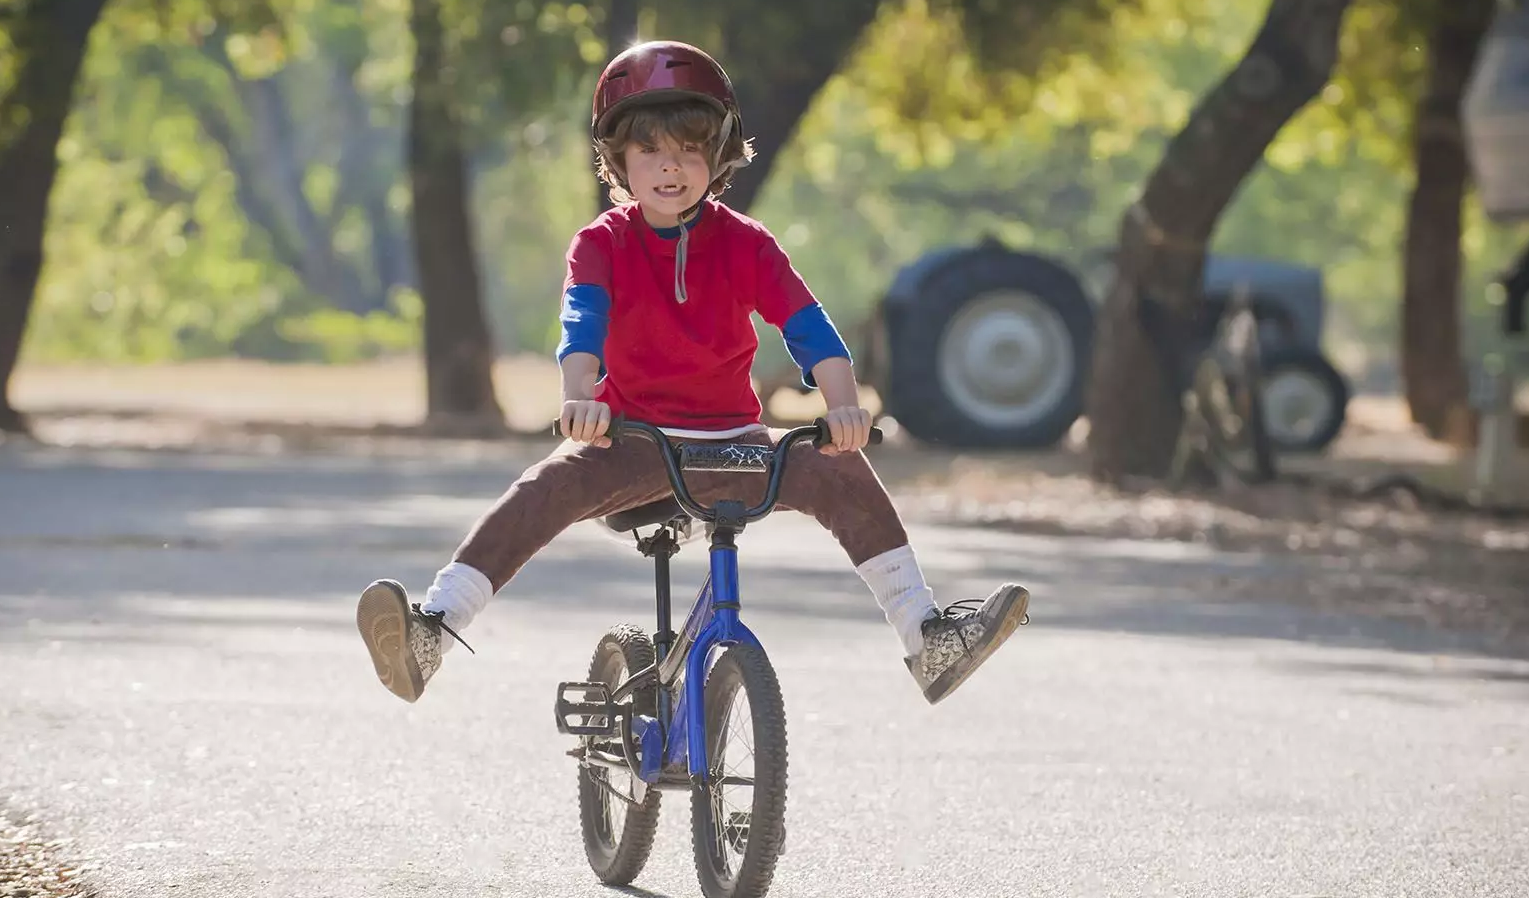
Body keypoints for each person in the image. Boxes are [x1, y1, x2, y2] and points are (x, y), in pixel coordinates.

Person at [356, 40, 1028, 706]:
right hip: (631, 439)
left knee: (844, 472)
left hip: (734, 442)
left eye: (689, 149)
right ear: (618, 160)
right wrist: (578, 397)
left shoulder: (746, 244)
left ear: (721, 154)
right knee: (543, 489)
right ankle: (432, 632)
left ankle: (926, 635)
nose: (669, 167)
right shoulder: (602, 245)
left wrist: (844, 406)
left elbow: (808, 327)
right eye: (649, 150)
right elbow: (581, 327)